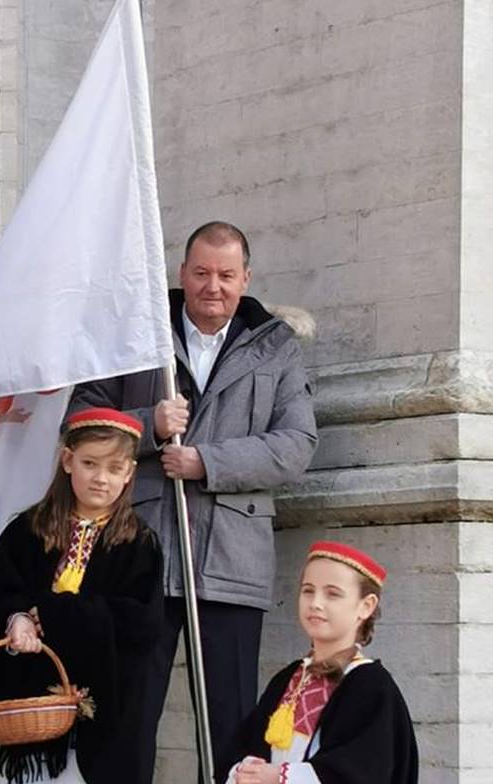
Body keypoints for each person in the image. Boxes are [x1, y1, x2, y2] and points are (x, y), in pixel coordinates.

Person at [69, 221, 318, 779]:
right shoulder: (140, 336)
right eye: (202, 273)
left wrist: (207, 461)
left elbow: (297, 445)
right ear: (182, 274)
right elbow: (79, 422)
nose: (214, 286)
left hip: (232, 559)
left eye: (227, 275)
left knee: (231, 724)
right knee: (124, 715)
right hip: (142, 556)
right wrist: (148, 426)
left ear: (246, 278)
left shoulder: (274, 347)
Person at [0, 407, 163, 784]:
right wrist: (16, 619)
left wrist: (52, 615)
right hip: (23, 716)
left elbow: (142, 625)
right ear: (68, 460)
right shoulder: (27, 530)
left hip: (96, 722)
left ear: (130, 473)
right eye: (90, 463)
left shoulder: (139, 544)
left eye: (114, 469)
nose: (101, 479)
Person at [217, 541, 418, 783]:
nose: (315, 603)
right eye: (308, 590)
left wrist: (280, 777)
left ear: (366, 606)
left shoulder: (371, 686)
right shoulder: (289, 676)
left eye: (332, 594)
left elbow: (362, 771)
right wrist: (245, 771)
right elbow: (242, 746)